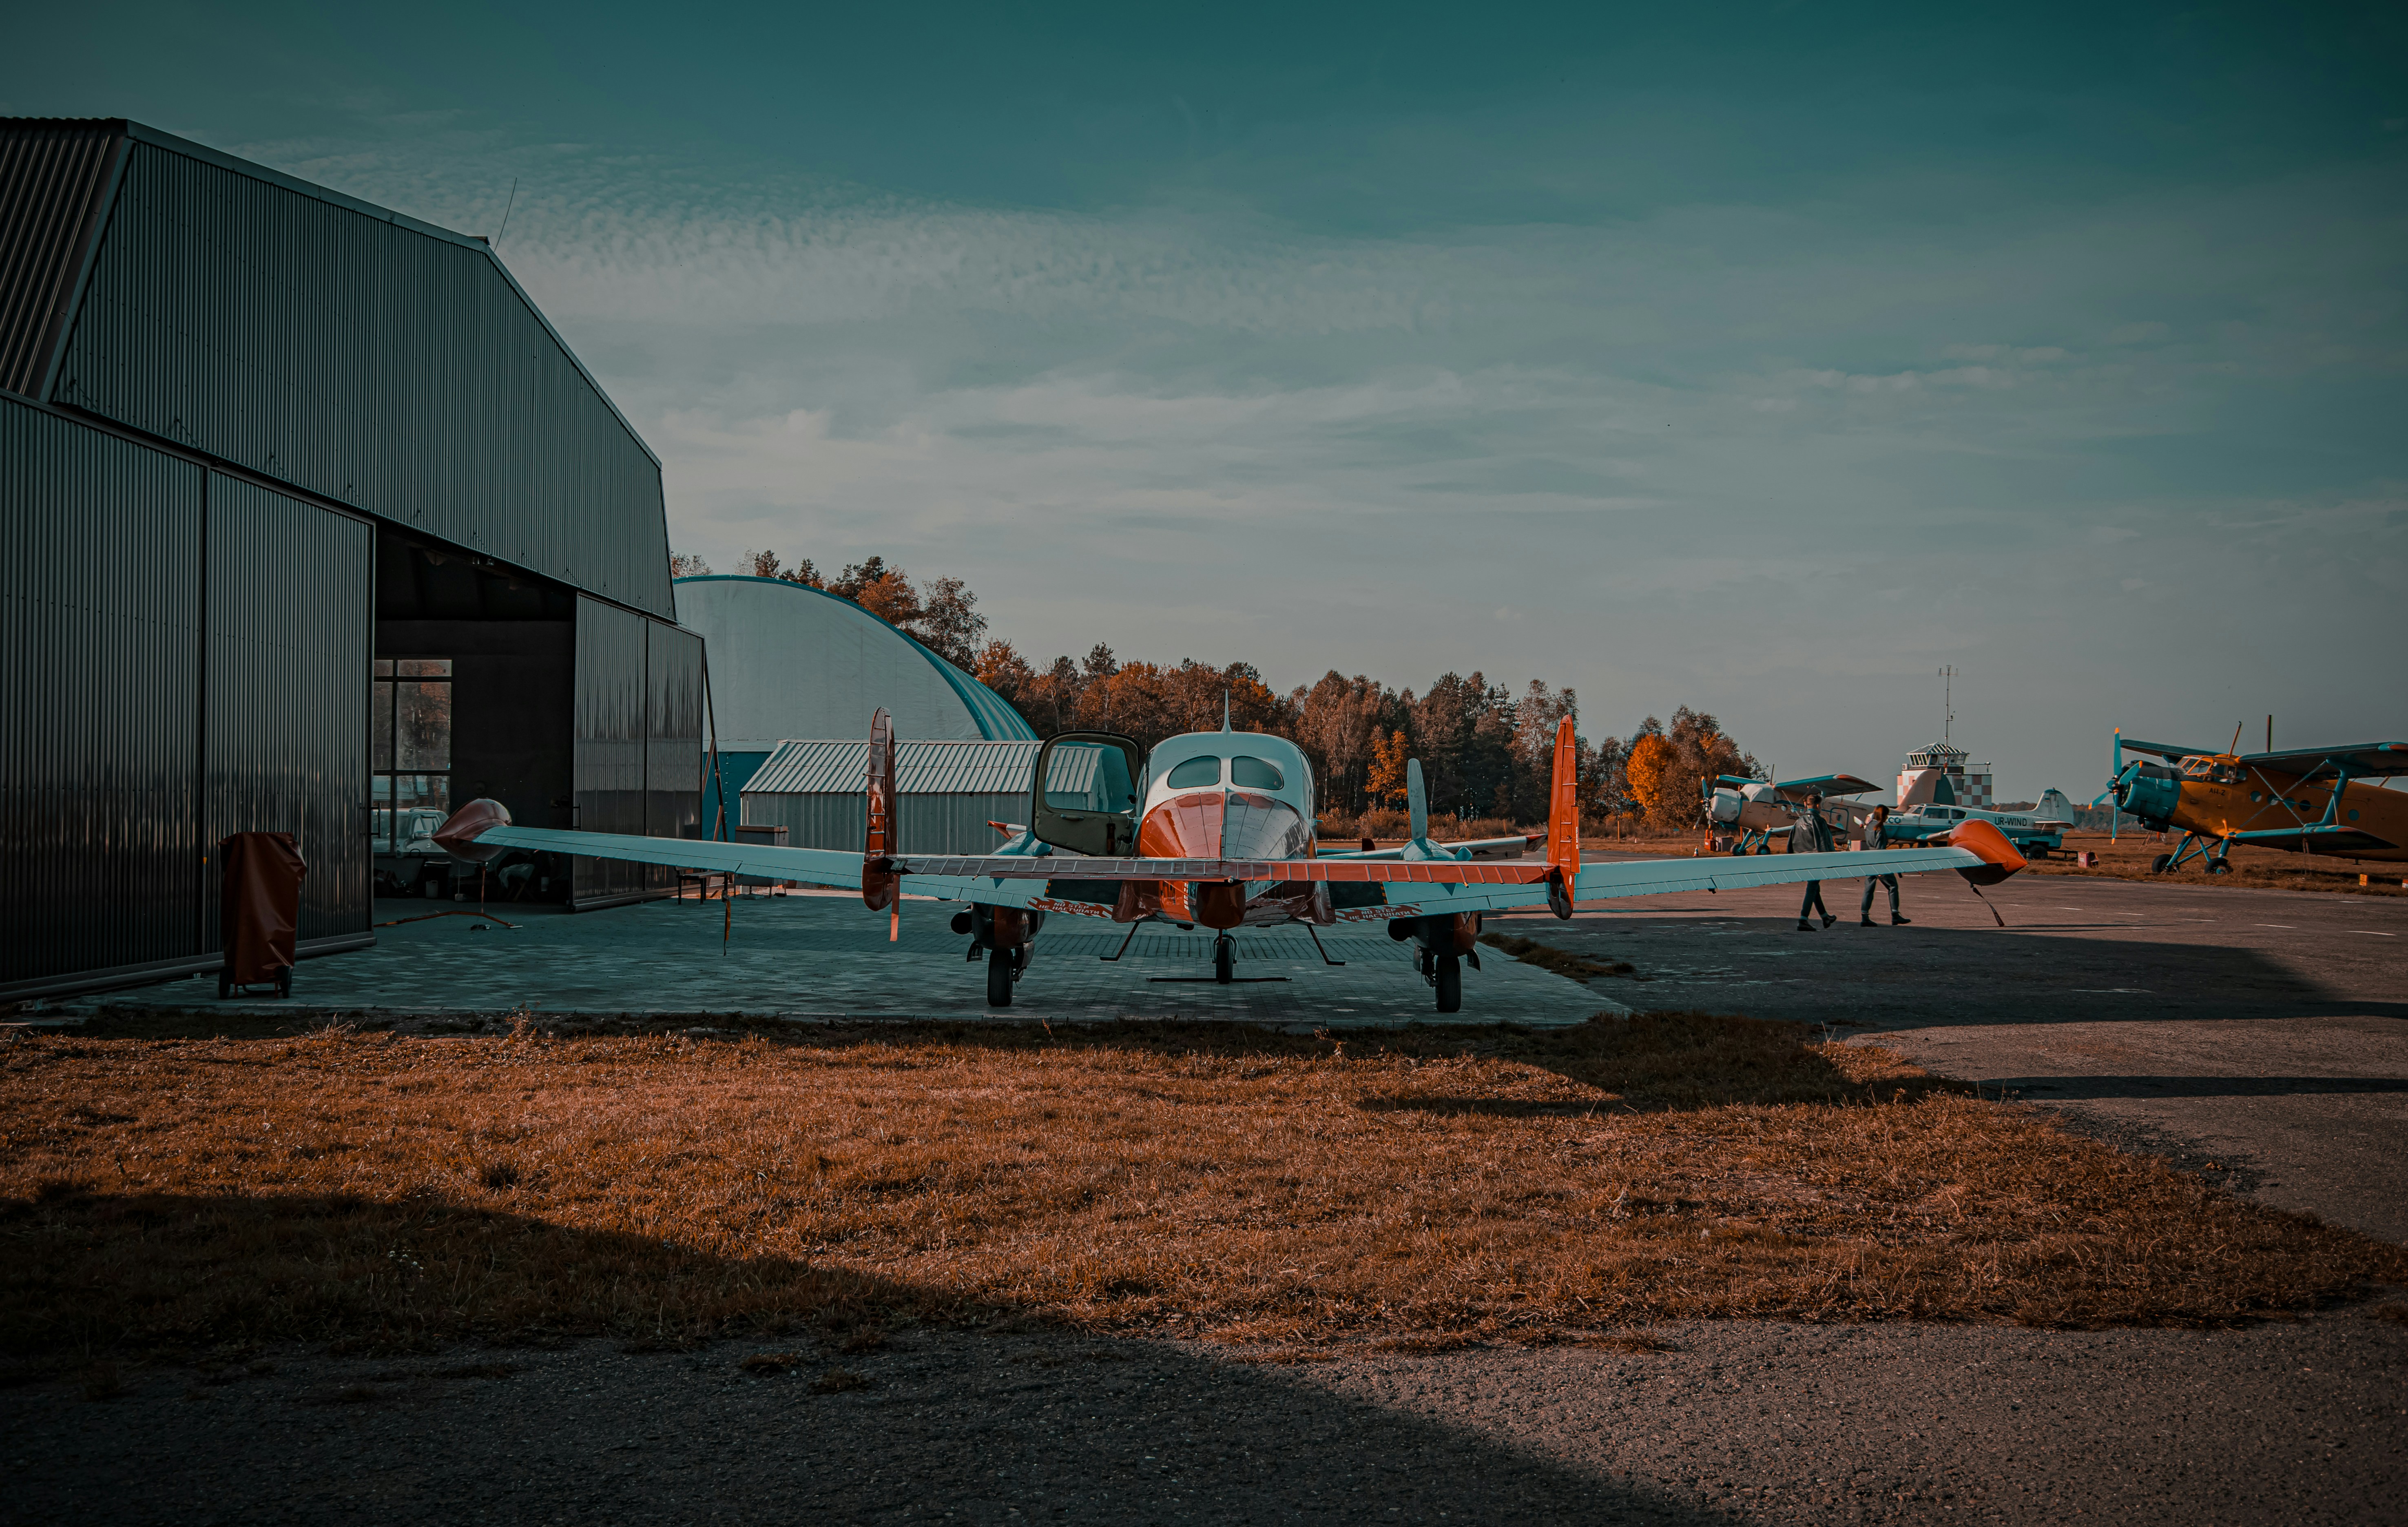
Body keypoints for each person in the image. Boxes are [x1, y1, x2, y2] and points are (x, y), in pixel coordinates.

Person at [1790, 789, 1837, 930]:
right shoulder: (1818, 821)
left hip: (1802, 860)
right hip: (1816, 859)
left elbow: (1792, 843)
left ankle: (1825, 917)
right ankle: (1803, 919)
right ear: (1817, 806)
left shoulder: (1798, 822)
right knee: (1812, 888)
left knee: (1815, 888)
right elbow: (1825, 842)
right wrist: (1832, 859)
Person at [1859, 804, 1911, 926]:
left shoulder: (1869, 826)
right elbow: (1881, 849)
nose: (1887, 818)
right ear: (1884, 816)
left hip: (1869, 859)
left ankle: (1865, 916)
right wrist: (1881, 867)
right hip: (1879, 860)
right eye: (1887, 815)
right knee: (1893, 886)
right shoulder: (1880, 828)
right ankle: (1895, 914)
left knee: (1869, 889)